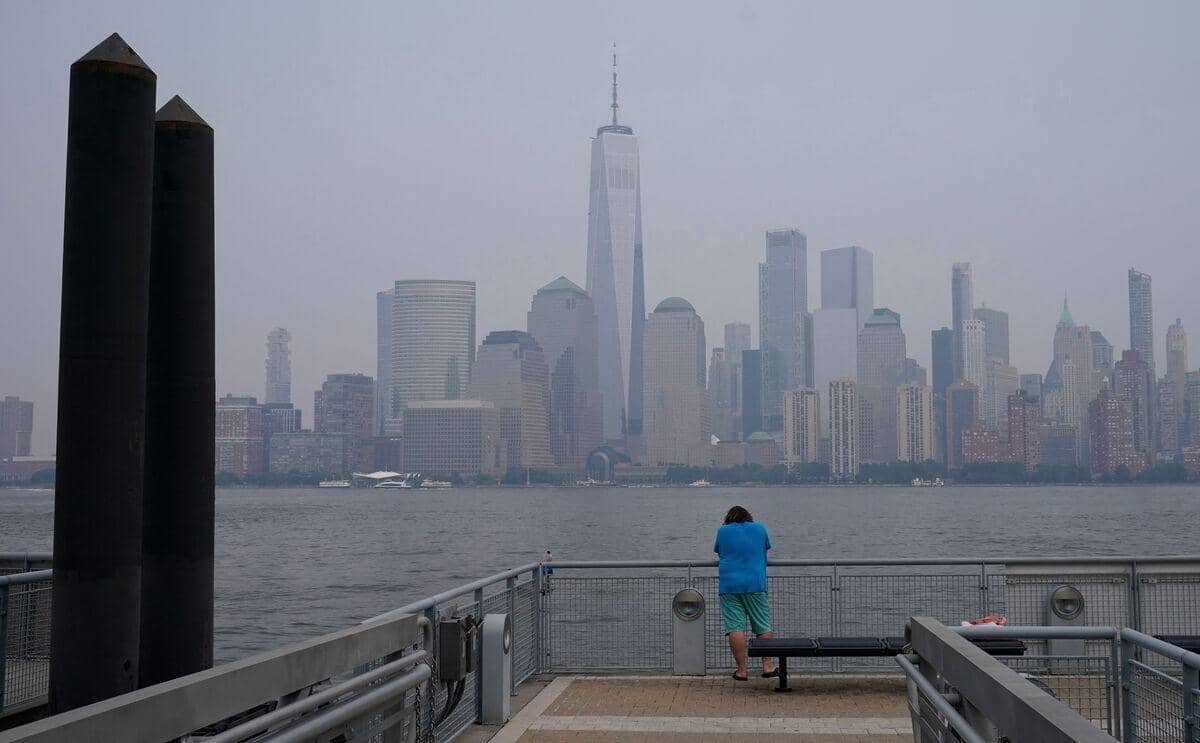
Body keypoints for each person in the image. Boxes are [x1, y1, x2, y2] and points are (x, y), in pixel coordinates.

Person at [714, 505, 776, 681]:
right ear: (749, 517)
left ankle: (741, 670)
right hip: (755, 583)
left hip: (729, 585)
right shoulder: (759, 528)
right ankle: (767, 666)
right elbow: (766, 547)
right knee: (762, 625)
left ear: (728, 518)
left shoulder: (723, 531)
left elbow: (719, 551)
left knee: (735, 627)